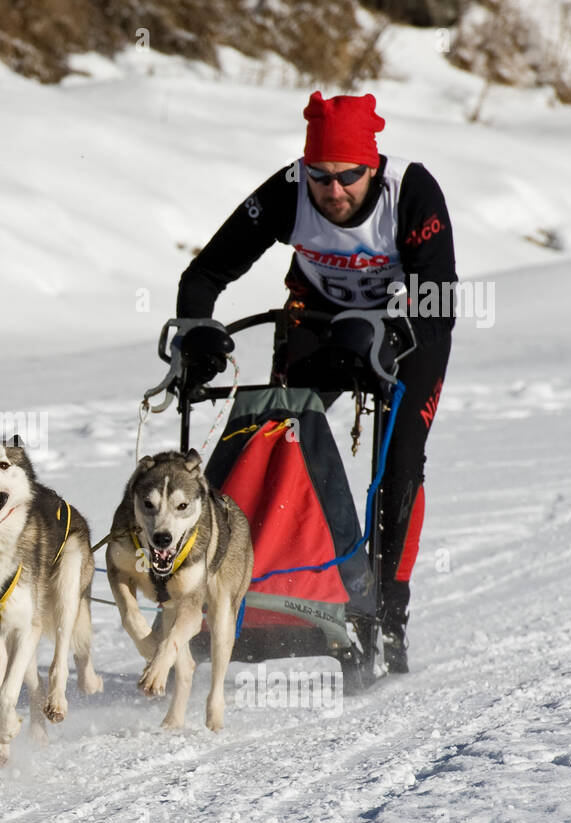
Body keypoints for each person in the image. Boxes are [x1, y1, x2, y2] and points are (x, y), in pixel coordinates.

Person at [176, 91, 456, 672]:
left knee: (400, 461)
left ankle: (388, 613)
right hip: (317, 320)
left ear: (372, 167)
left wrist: (388, 337)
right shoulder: (286, 190)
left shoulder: (413, 191)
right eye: (320, 177)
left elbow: (442, 299)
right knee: (276, 438)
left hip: (408, 330)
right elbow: (204, 272)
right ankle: (253, 601)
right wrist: (199, 334)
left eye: (348, 177)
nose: (333, 191)